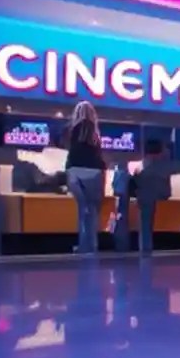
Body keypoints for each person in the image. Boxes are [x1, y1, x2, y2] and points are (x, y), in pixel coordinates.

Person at [63, 101, 106, 255]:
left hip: (75, 171)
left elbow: (68, 148)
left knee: (83, 210)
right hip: (94, 172)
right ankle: (93, 246)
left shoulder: (71, 129)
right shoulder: (95, 132)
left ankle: (83, 246)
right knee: (93, 210)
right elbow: (99, 157)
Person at [134, 138, 173, 256]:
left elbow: (136, 181)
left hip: (145, 197)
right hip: (160, 195)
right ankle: (147, 247)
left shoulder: (142, 165)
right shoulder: (164, 165)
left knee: (145, 222)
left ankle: (145, 248)